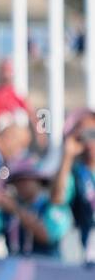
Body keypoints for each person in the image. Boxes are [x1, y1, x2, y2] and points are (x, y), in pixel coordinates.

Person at [0, 158, 71, 258]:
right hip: (16, 269)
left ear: (37, 180)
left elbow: (48, 235)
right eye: (16, 181)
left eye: (24, 179)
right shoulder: (8, 210)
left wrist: (16, 210)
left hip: (47, 269)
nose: (20, 185)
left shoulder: (51, 206)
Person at [59, 111, 95, 262]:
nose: (89, 142)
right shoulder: (76, 174)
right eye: (82, 136)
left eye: (92, 134)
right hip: (85, 256)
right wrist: (67, 156)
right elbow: (57, 200)